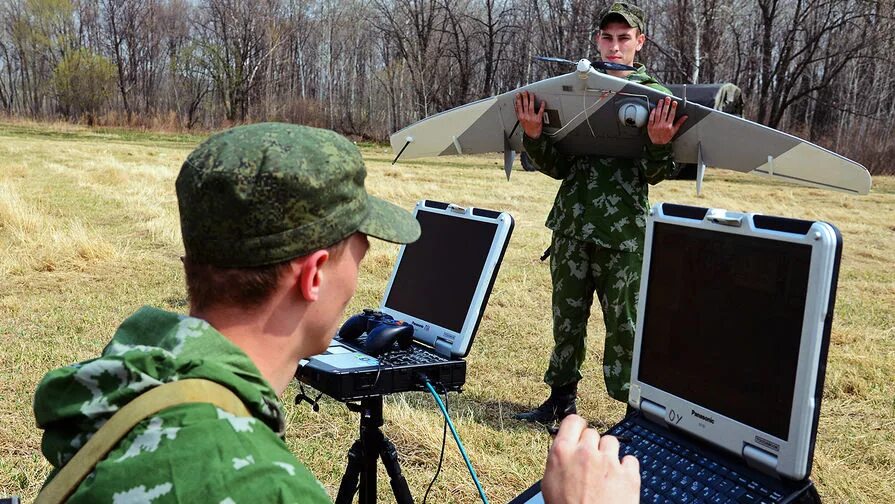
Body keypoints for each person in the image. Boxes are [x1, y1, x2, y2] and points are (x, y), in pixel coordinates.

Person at [33, 122, 638, 503]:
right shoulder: (257, 485)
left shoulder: (138, 384)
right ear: (315, 275)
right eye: (361, 244)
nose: (366, 262)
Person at [514, 2, 688, 423]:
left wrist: (659, 144)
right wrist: (534, 137)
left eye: (624, 38)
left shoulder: (657, 98)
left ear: (639, 42)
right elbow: (560, 167)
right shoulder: (576, 89)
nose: (614, 46)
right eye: (607, 38)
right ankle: (560, 400)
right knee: (566, 320)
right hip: (572, 227)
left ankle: (634, 416)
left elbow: (655, 174)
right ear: (597, 40)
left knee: (625, 326)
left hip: (622, 236)